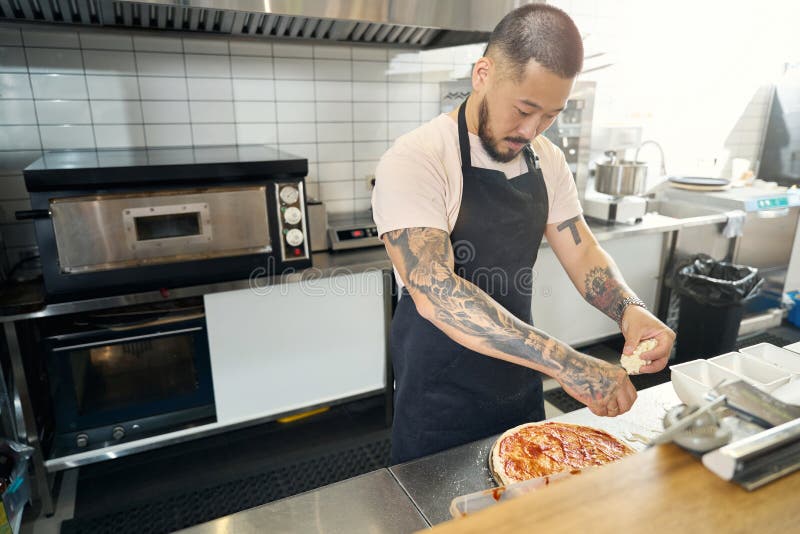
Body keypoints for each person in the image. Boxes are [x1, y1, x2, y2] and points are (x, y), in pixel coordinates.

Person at [371, 4, 676, 464]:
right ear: (483, 74)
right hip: (439, 398)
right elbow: (437, 293)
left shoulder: (546, 159)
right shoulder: (417, 159)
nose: (532, 130)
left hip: (520, 384)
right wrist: (568, 364)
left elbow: (582, 251)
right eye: (525, 109)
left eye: (550, 115)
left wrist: (630, 311)